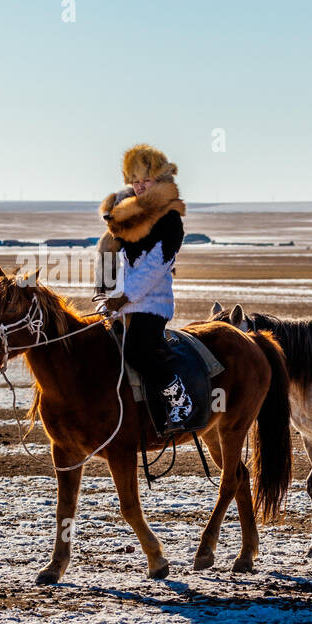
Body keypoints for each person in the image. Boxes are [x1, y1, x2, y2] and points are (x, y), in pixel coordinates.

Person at [94, 144, 191, 429]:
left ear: (160, 180)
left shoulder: (170, 221)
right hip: (120, 306)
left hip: (152, 305)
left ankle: (178, 400)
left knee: (138, 350)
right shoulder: (125, 220)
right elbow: (112, 260)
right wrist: (106, 296)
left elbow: (154, 266)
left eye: (145, 180)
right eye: (135, 181)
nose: (139, 187)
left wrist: (124, 296)